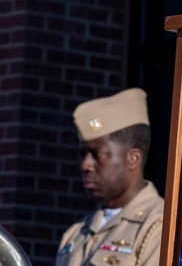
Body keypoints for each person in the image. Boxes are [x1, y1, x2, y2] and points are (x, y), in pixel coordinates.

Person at [57, 88, 164, 266]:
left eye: (97, 154)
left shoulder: (159, 226)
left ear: (133, 159)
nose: (86, 165)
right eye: (83, 155)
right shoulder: (76, 233)